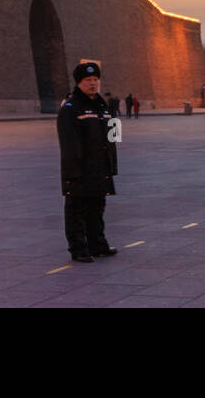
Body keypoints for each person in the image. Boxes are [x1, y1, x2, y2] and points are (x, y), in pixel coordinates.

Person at [57, 61, 118, 263]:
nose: (93, 84)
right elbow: (69, 145)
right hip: (80, 169)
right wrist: (73, 173)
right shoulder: (71, 108)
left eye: (95, 80)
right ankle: (78, 248)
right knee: (77, 210)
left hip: (101, 169)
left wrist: (112, 165)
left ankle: (98, 244)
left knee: (97, 208)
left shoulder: (104, 106)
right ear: (79, 83)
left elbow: (113, 138)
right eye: (88, 80)